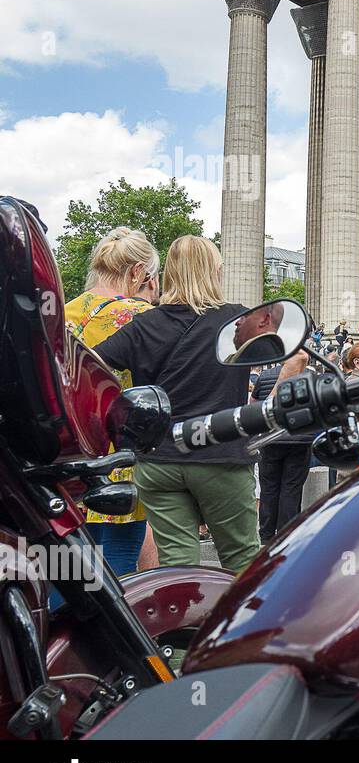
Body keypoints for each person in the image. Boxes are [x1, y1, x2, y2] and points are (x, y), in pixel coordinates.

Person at [96, 236, 260, 572]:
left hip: (158, 460)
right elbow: (292, 351)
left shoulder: (142, 325)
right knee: (242, 561)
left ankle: (182, 623)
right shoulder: (239, 322)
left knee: (177, 567)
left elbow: (89, 365)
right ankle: (241, 624)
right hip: (220, 453)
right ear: (214, 272)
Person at [64, 227, 160, 576]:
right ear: (137, 272)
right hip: (120, 457)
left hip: (69, 456)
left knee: (70, 566)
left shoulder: (66, 310)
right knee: (116, 563)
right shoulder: (141, 315)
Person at [252, 357, 313, 543]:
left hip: (270, 439)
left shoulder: (265, 375)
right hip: (299, 439)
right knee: (291, 488)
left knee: (269, 487)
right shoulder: (310, 376)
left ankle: (266, 534)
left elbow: (253, 403)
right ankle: (287, 534)